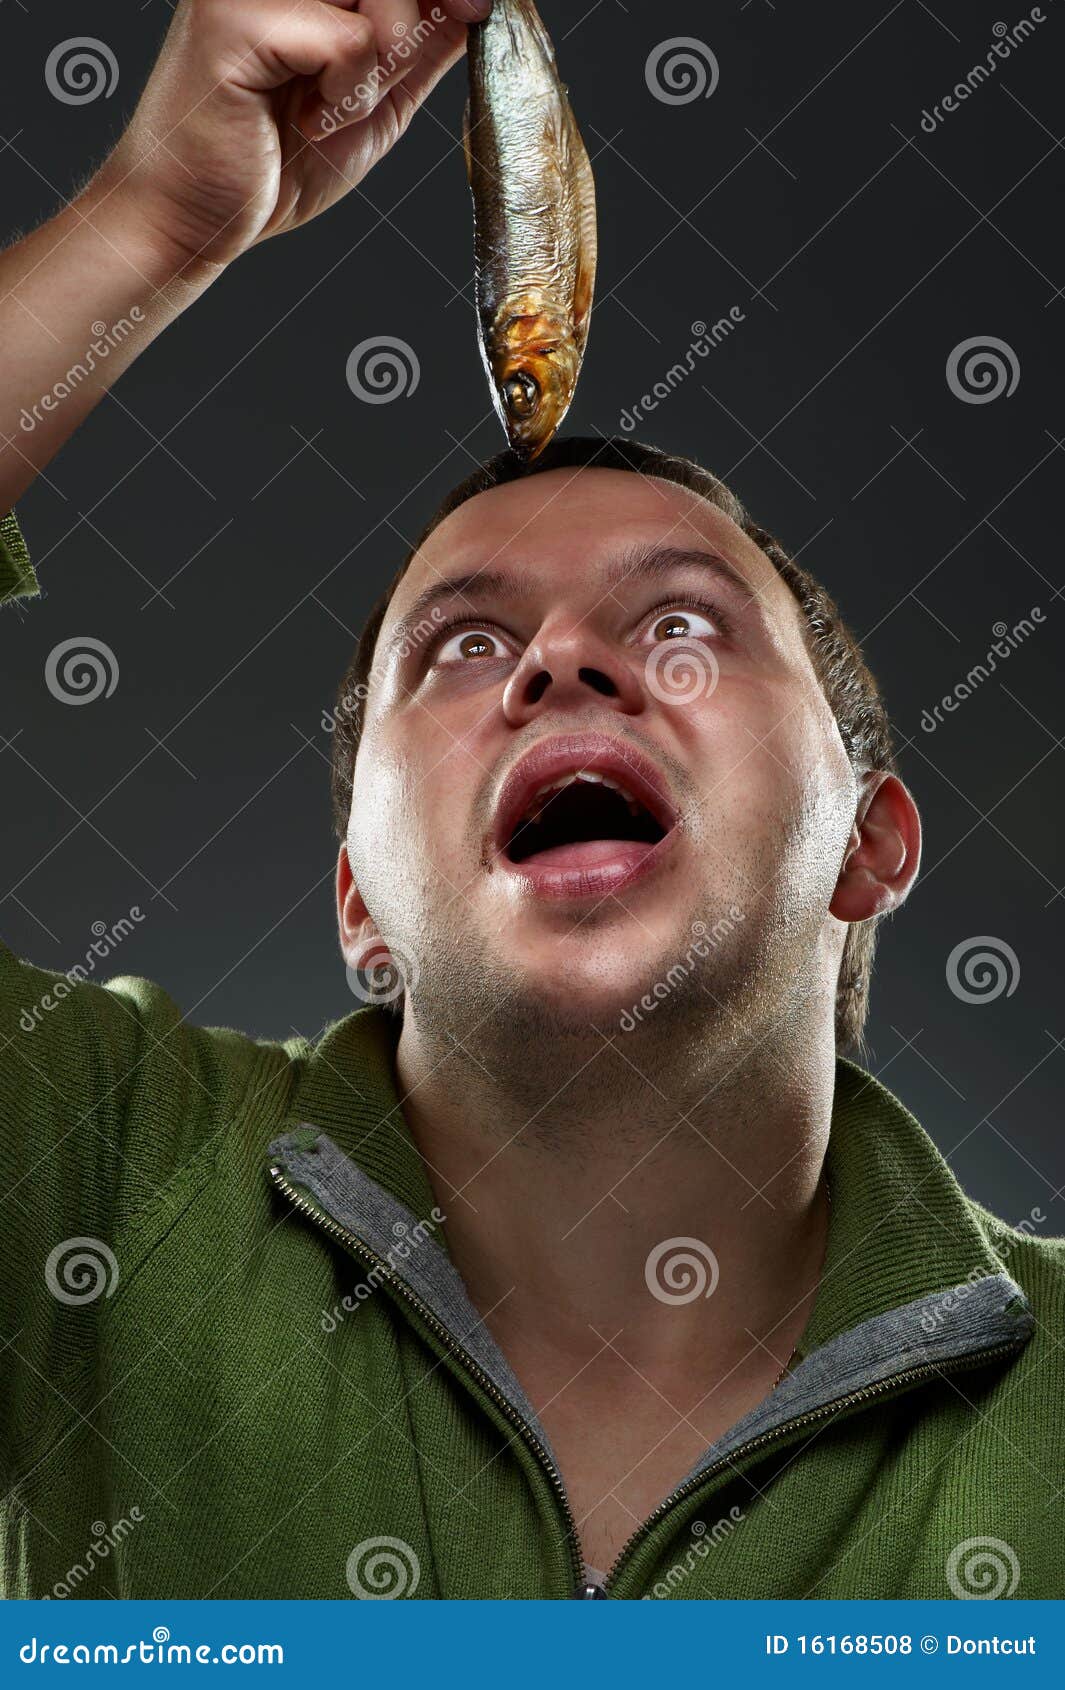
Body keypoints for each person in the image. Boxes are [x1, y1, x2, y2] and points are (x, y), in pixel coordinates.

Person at [1, 0, 1061, 1603]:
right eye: (463, 642)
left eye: (684, 625)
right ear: (356, 888)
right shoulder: (87, 1164)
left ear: (867, 840)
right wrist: (144, 224)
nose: (562, 657)